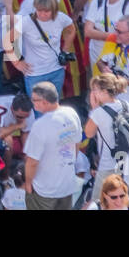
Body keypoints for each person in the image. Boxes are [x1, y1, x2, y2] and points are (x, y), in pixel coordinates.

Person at [23, 80, 83, 210]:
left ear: (44, 102)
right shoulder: (71, 113)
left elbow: (32, 161)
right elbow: (76, 144)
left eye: (34, 100)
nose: (32, 102)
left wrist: (28, 183)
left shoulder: (40, 126)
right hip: (67, 184)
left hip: (45, 190)